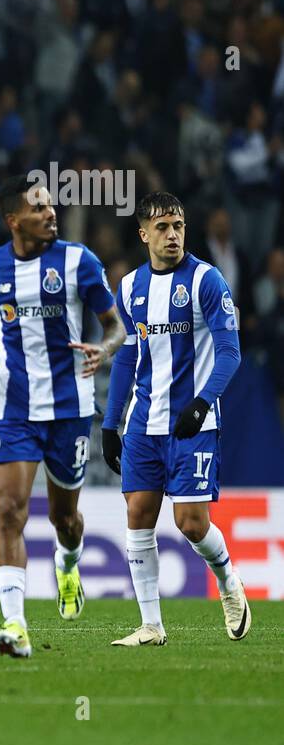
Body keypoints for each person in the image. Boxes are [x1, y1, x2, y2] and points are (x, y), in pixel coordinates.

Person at [0, 176, 124, 658]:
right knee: (10, 509)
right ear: (14, 220)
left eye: (52, 207)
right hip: (10, 405)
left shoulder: (78, 261)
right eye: (40, 209)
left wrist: (105, 347)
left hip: (69, 409)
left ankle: (68, 561)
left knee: (64, 517)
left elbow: (115, 325)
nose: (51, 214)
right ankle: (15, 625)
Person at [102, 192, 249, 647]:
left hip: (193, 422)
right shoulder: (128, 288)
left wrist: (203, 402)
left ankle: (227, 581)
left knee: (190, 523)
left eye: (179, 226)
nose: (172, 235)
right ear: (144, 234)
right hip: (144, 422)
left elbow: (230, 352)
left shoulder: (207, 280)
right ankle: (151, 625)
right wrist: (111, 422)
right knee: (138, 515)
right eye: (163, 228)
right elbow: (129, 356)